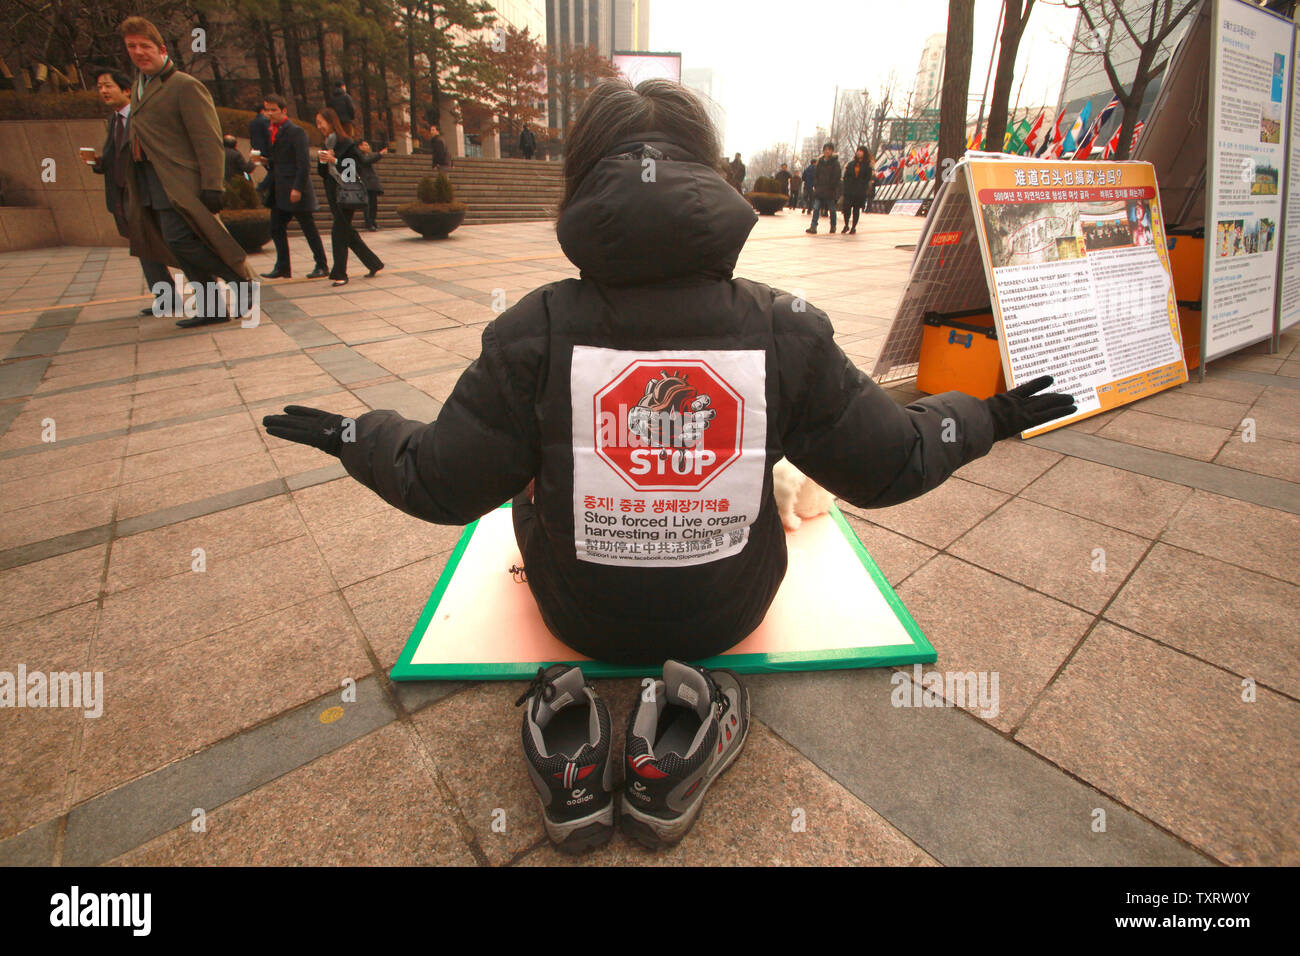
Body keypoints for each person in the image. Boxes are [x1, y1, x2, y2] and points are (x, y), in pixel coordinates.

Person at [262, 77, 1076, 854]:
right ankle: (689, 734)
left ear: (579, 184)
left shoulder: (533, 330)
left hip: (576, 618)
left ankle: (570, 752)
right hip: (732, 612)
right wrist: (985, 416)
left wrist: (356, 436)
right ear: (710, 175)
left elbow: (440, 482)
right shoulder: (782, 326)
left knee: (525, 478)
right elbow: (889, 464)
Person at [118, 16, 255, 328]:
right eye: (132, 46)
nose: (139, 52)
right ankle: (213, 308)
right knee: (176, 242)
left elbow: (207, 138)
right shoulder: (140, 85)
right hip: (151, 180)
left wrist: (212, 184)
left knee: (180, 241)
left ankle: (239, 279)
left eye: (145, 46)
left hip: (181, 182)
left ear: (161, 48)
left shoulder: (184, 85)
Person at [86, 67, 172, 316]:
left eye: (108, 85)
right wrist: (99, 163)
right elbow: (117, 157)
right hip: (126, 196)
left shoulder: (141, 117)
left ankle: (211, 297)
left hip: (150, 193)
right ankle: (166, 299)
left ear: (126, 90)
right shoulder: (114, 120)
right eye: (99, 87)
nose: (103, 91)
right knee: (143, 247)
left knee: (177, 243)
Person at [254, 93, 329, 279]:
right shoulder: (272, 130)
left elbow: (303, 163)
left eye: (274, 110)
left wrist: (297, 188)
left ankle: (321, 264)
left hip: (295, 187)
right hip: (279, 188)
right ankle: (283, 266)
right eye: (267, 109)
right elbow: (279, 161)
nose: (269, 113)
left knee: (308, 227)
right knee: (276, 227)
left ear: (283, 110)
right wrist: (265, 160)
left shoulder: (296, 131)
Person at [314, 108, 384, 287]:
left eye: (321, 122)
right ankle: (373, 263)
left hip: (348, 193)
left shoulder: (346, 143)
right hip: (333, 193)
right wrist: (323, 161)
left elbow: (355, 168)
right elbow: (322, 174)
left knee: (338, 232)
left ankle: (339, 273)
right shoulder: (326, 144)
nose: (319, 126)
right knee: (347, 232)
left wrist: (335, 161)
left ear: (331, 122)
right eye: (317, 123)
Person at [806, 141, 841, 234]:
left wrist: (832, 186)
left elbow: (837, 176)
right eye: (825, 150)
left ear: (832, 151)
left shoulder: (835, 163)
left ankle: (833, 225)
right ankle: (813, 226)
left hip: (830, 190)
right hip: (820, 189)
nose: (827, 152)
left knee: (832, 209)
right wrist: (816, 184)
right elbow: (816, 175)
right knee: (816, 207)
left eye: (829, 150)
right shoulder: (820, 162)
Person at [840, 146, 871, 235]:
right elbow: (846, 177)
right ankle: (846, 225)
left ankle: (853, 227)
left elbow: (867, 178)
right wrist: (846, 187)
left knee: (856, 210)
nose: (859, 152)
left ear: (864, 153)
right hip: (849, 190)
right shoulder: (851, 164)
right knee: (846, 209)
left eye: (861, 151)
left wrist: (862, 186)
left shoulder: (867, 166)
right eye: (858, 151)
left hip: (859, 192)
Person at [357, 138, 386, 231]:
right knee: (368, 204)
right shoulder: (359, 156)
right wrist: (379, 154)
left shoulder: (367, 155)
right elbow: (367, 161)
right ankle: (368, 223)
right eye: (365, 145)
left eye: (367, 145)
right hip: (365, 182)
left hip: (372, 183)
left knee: (373, 204)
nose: (367, 147)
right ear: (360, 146)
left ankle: (373, 221)